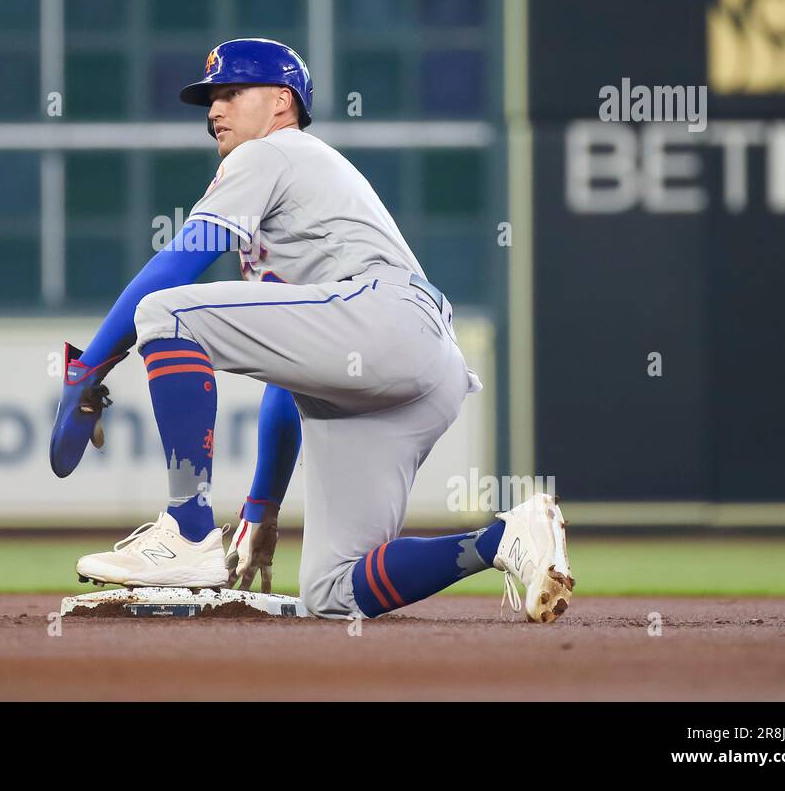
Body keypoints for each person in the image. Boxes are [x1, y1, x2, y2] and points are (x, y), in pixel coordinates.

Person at [49, 38, 573, 622]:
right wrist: (262, 505)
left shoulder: (270, 153)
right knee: (333, 592)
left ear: (281, 101)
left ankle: (188, 532)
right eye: (210, 100)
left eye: (230, 92)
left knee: (166, 313)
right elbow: (288, 380)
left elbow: (177, 263)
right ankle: (503, 540)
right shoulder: (297, 195)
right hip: (413, 371)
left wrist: (90, 365)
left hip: (386, 320)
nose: (214, 111)